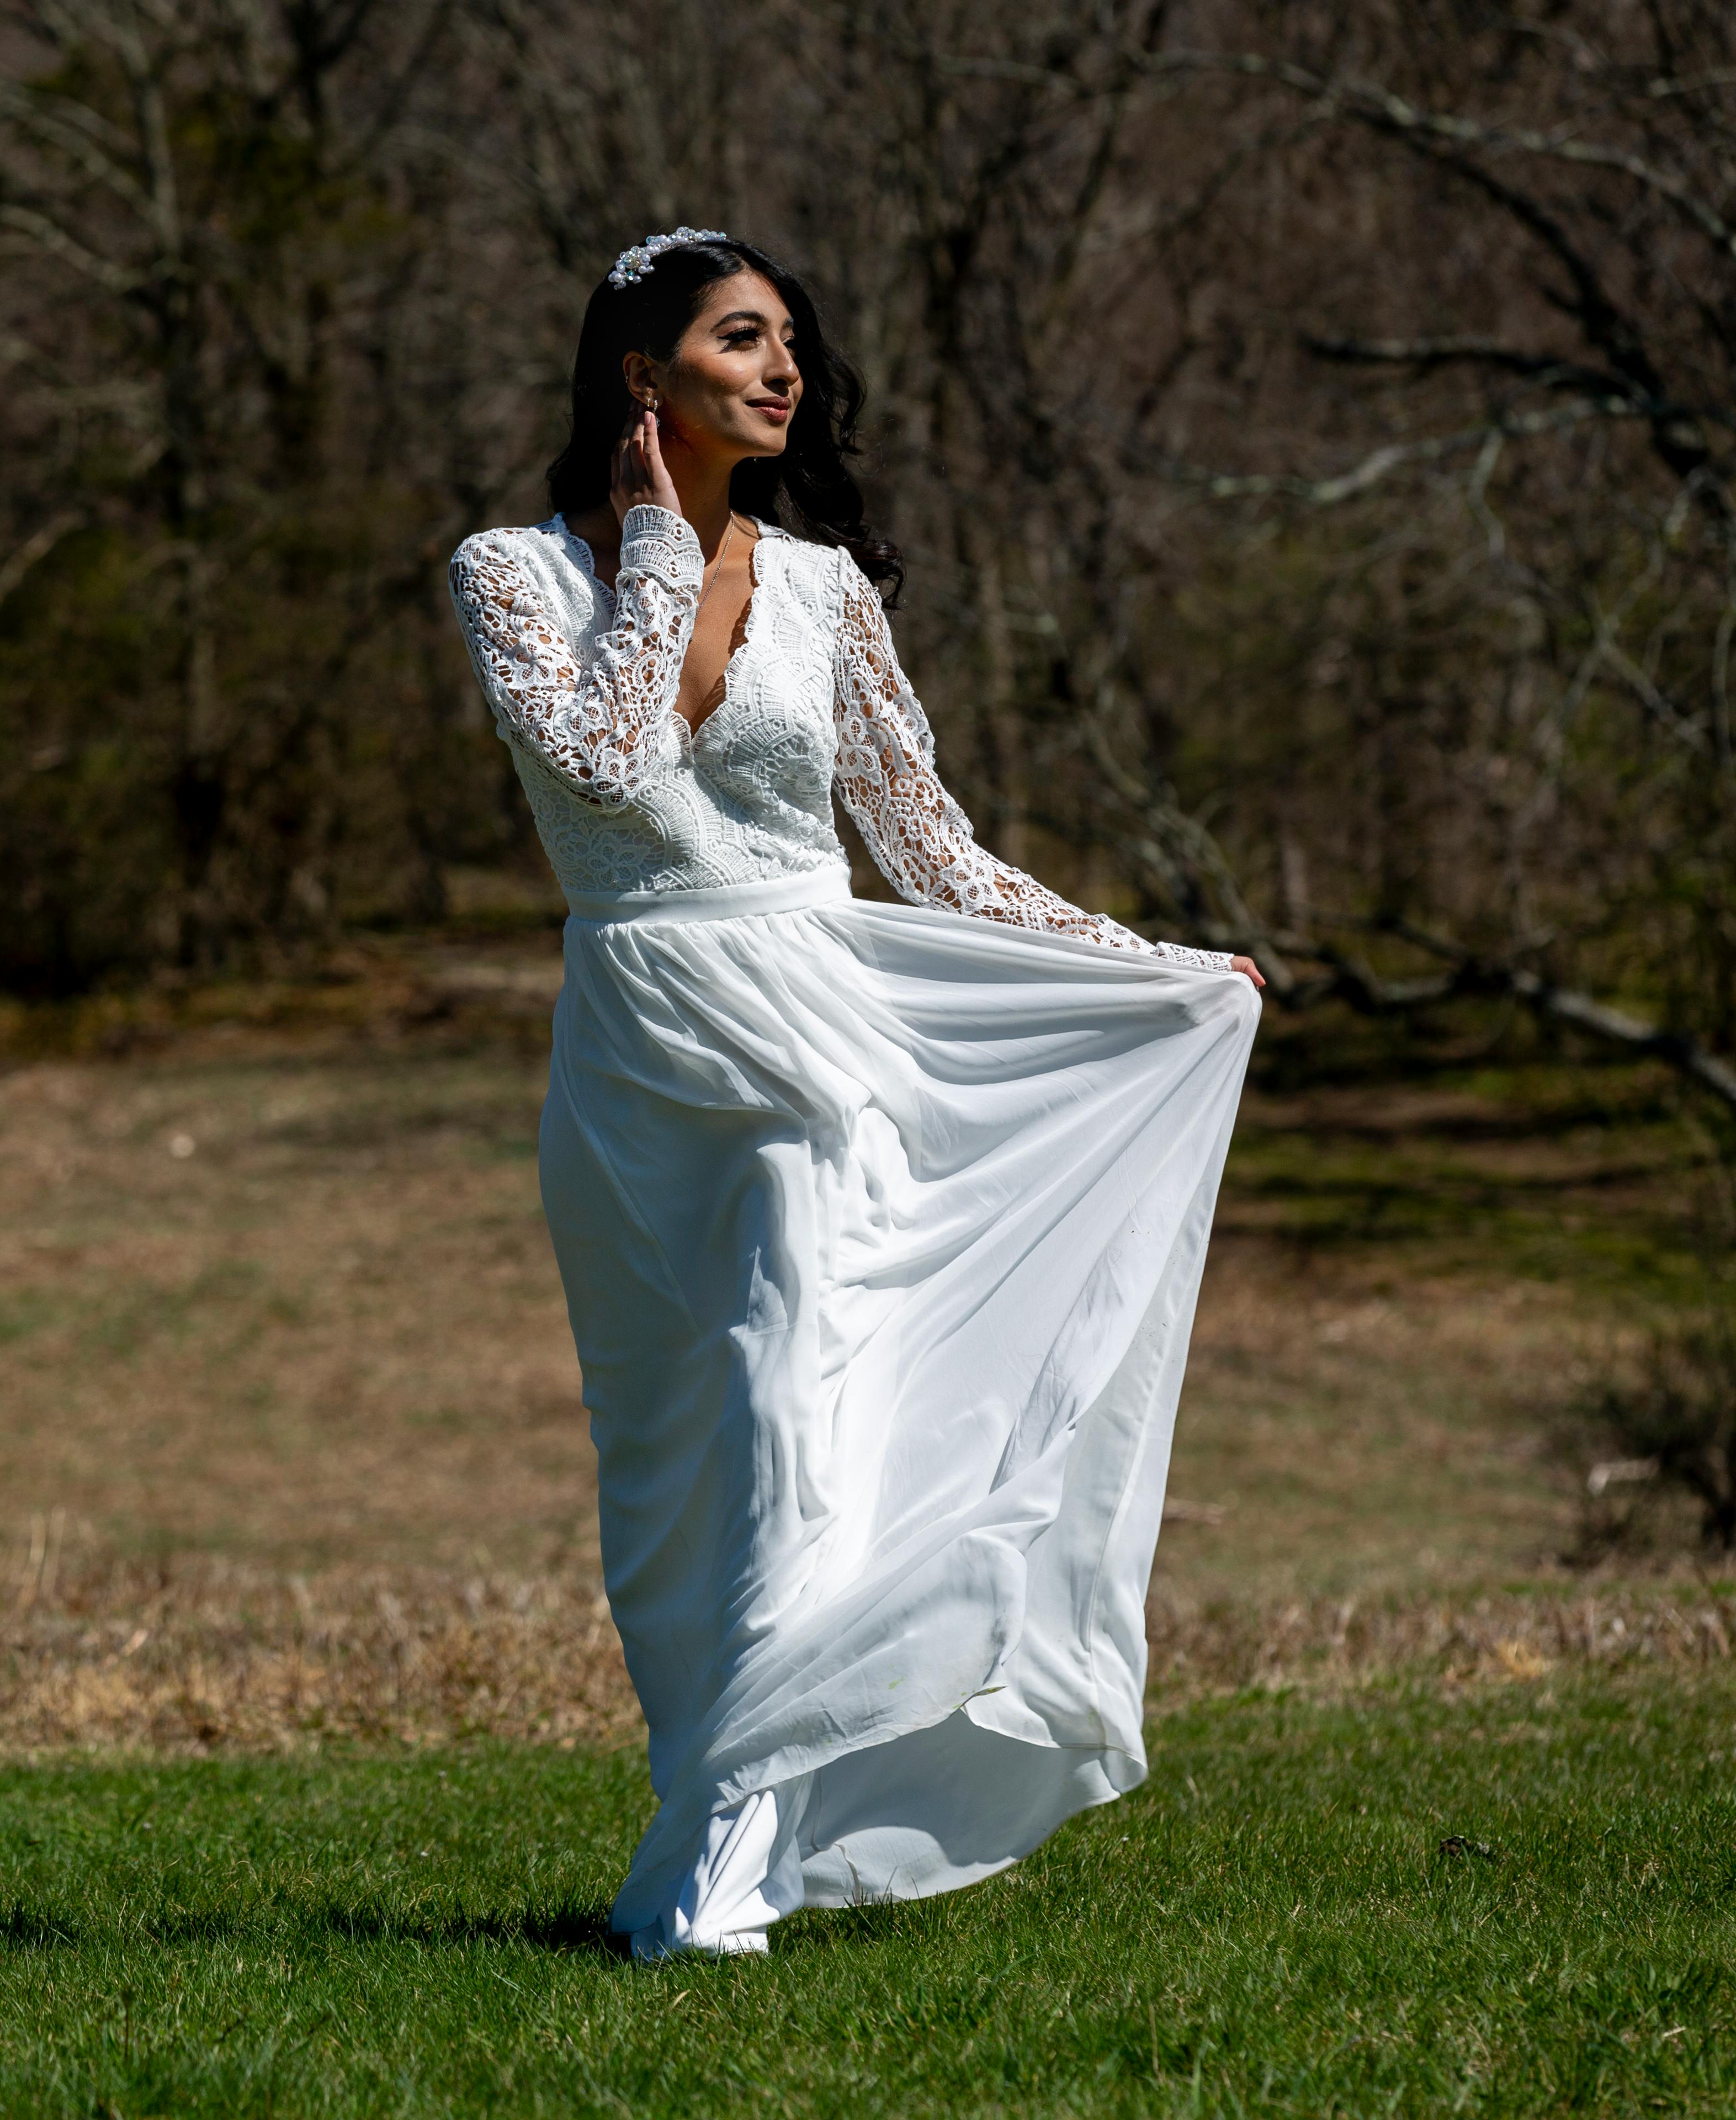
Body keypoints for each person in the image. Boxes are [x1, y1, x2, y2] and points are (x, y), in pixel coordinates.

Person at [447, 228, 1262, 1960]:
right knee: (674, 1472)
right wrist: (660, 540)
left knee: (794, 1430)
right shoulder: (511, 572)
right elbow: (603, 758)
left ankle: (716, 1886)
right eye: (742, 340)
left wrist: (1151, 968)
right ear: (640, 376)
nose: (784, 370)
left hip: (820, 1048)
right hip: (634, 1051)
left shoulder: (828, 592)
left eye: (792, 344)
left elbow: (934, 859)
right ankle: (725, 1805)